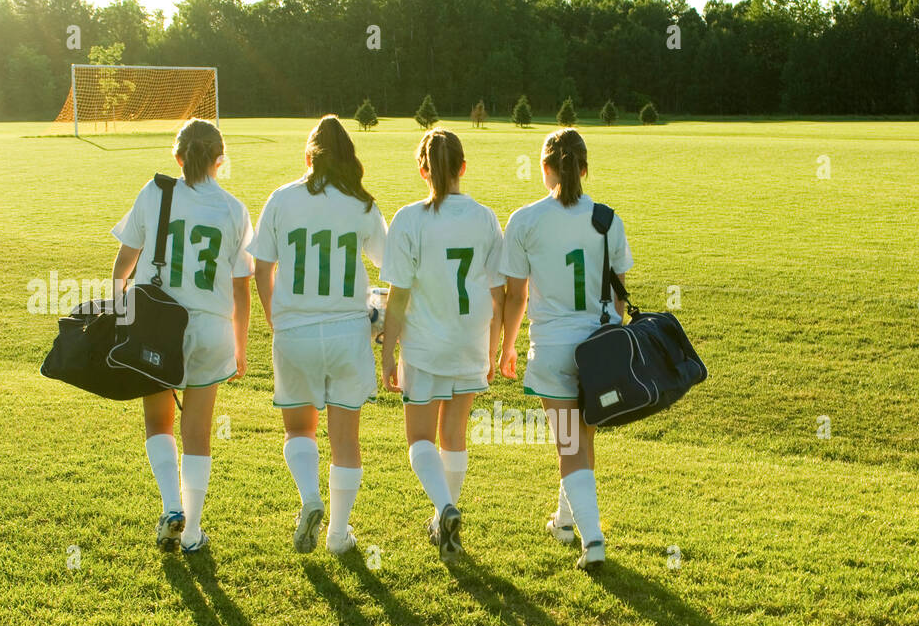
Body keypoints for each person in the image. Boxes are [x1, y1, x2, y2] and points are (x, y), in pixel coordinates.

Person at [111, 118, 253, 554]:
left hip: (157, 325)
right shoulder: (234, 209)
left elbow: (125, 260)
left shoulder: (156, 192)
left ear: (177, 157)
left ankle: (171, 507)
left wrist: (118, 307)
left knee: (158, 422)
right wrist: (240, 347)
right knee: (198, 431)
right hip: (212, 331)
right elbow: (241, 287)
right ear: (219, 160)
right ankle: (191, 532)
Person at [249, 115, 387, 554]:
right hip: (349, 330)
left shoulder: (282, 198)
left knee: (298, 430)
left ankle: (310, 497)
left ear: (308, 156)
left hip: (295, 331)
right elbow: (390, 266)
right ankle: (338, 535)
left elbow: (261, 266)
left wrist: (275, 316)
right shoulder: (362, 204)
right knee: (346, 438)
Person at [498, 129, 633, 572]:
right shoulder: (608, 218)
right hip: (601, 345)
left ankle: (592, 540)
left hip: (554, 346)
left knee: (569, 442)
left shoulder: (524, 220)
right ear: (585, 168)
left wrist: (507, 347)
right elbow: (618, 295)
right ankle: (565, 522)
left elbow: (515, 297)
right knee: (583, 438)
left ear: (545, 169)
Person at [380, 128, 504, 559]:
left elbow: (398, 296)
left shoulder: (409, 218)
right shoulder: (486, 217)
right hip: (470, 340)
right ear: (463, 169)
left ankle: (445, 508)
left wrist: (387, 352)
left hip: (426, 347)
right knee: (454, 435)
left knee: (419, 439)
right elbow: (497, 292)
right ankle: (443, 520)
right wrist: (493, 348)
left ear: (423, 170)